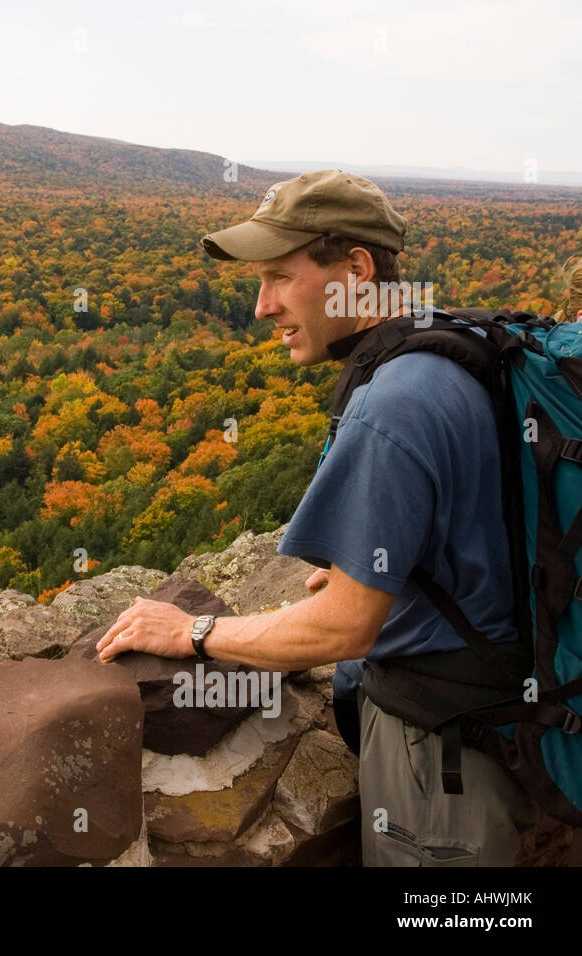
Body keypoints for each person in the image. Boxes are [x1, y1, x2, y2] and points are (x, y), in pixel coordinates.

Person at [96, 169, 540, 865]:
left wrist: (194, 632)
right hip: (506, 715)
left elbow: (345, 626)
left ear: (355, 270)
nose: (262, 307)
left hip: (445, 757)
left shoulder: (394, 401)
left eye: (279, 277)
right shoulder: (453, 349)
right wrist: (381, 570)